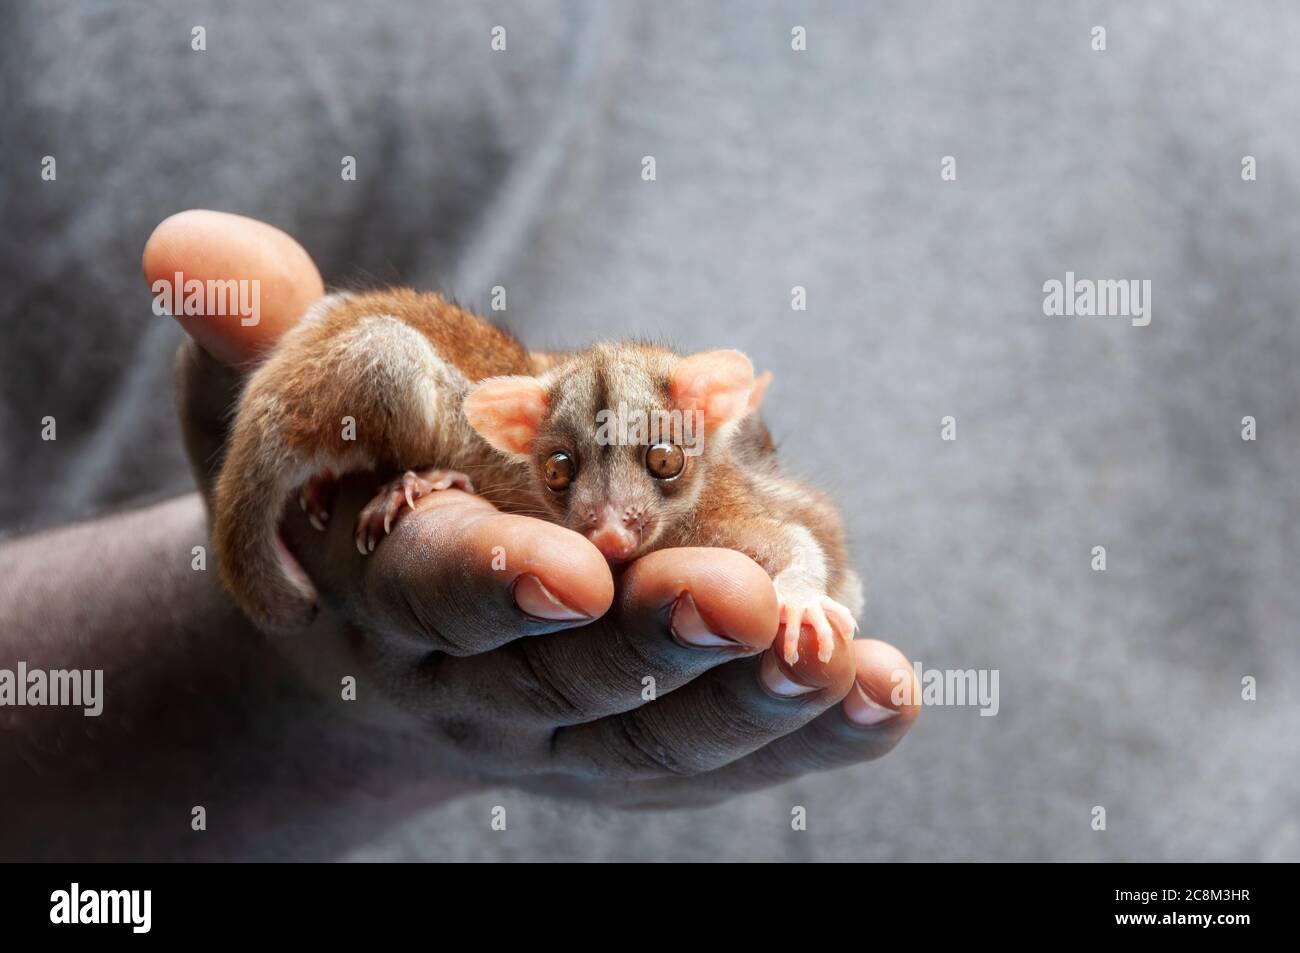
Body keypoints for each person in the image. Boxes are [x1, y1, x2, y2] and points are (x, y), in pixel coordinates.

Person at [0, 209, 918, 860]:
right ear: (524, 437)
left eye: (659, 468)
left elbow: (797, 546)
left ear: (711, 417)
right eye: (566, 476)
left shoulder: (712, 480)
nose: (608, 520)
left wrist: (801, 596)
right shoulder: (508, 434)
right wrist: (272, 663)